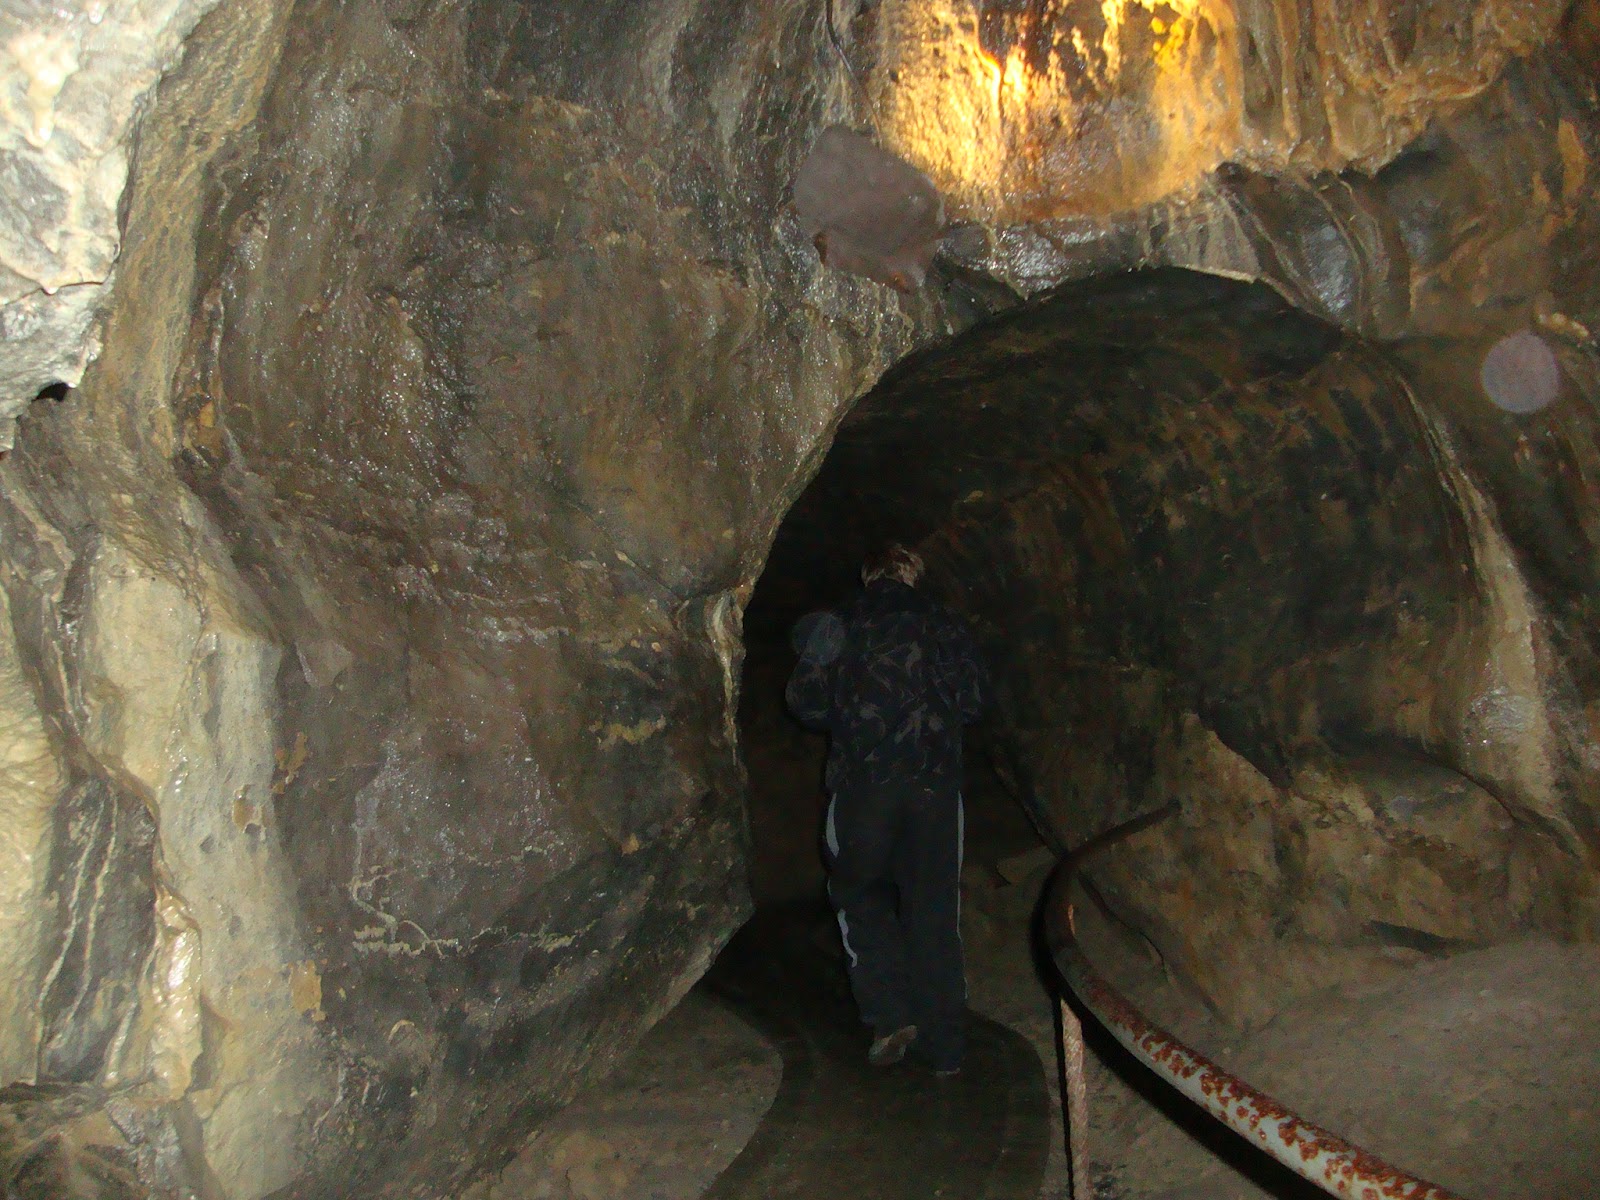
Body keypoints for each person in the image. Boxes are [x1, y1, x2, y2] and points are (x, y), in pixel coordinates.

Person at [786, 543, 989, 1075]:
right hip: (934, 789)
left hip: (862, 789)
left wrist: (850, 712)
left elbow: (803, 702)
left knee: (856, 894)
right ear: (913, 574)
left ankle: (890, 1012)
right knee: (935, 911)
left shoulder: (839, 622)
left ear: (866, 573)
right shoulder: (945, 622)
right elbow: (974, 701)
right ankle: (947, 1047)